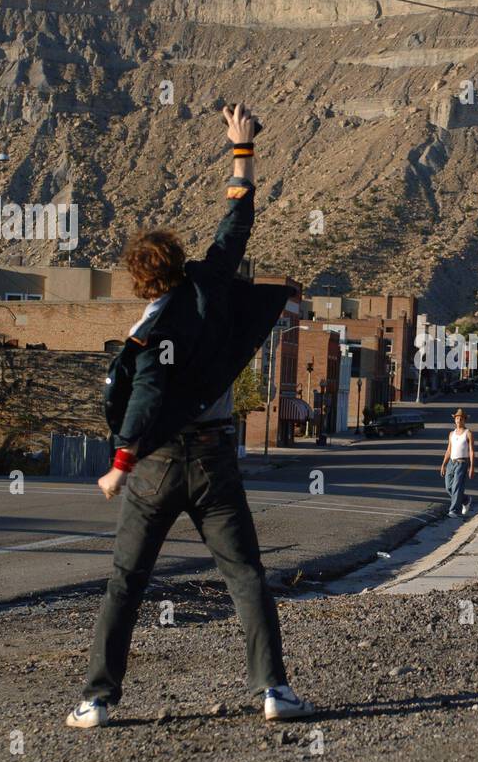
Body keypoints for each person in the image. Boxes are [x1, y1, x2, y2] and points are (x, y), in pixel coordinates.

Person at [66, 104, 314, 729]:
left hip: (154, 468)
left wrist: (120, 464)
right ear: (179, 262)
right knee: (245, 575)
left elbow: (146, 399)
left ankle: (97, 699)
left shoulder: (149, 329)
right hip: (214, 460)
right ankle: (273, 691)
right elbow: (238, 220)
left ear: (139, 280)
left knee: (126, 580)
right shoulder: (209, 287)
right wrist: (241, 149)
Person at [439, 407, 475, 518]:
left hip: (462, 463)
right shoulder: (451, 434)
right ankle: (466, 499)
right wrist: (443, 465)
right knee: (448, 487)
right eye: (457, 418)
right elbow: (448, 450)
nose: (459, 420)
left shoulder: (468, 433)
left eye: (461, 418)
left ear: (464, 420)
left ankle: (454, 511)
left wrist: (471, 467)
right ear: (454, 419)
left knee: (457, 487)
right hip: (451, 462)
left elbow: (472, 451)